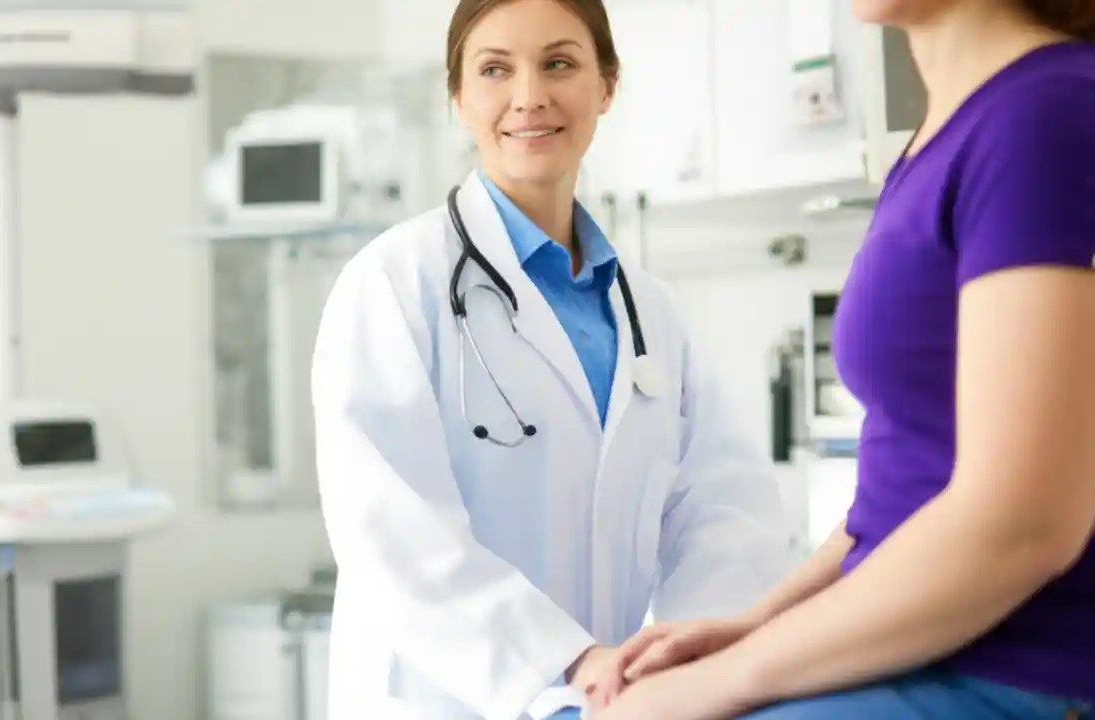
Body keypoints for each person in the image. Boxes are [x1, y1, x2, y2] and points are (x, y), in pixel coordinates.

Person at [588, 1, 1095, 718]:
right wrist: (754, 628)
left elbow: (1022, 526)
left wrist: (724, 681)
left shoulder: (1047, 112)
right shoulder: (940, 140)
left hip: (1019, 672)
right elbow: (888, 506)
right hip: (927, 652)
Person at [308, 0, 794, 717]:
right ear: (460, 95)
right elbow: (394, 535)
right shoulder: (393, 284)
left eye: (559, 63)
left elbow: (722, 510)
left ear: (606, 85)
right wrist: (565, 666)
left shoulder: (650, 311)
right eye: (495, 69)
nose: (529, 97)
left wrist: (688, 657)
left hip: (618, 703)